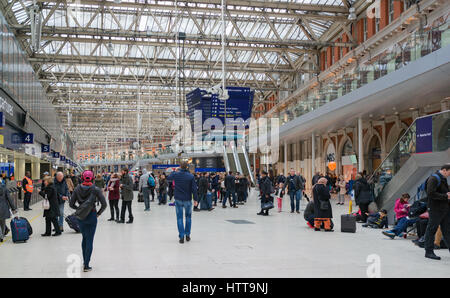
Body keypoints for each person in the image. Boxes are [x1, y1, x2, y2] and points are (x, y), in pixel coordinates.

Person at [69, 170, 107, 272]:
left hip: (81, 217)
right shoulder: (96, 189)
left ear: (82, 177)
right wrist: (98, 214)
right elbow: (104, 204)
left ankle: (84, 261)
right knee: (90, 239)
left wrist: (79, 209)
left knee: (84, 238)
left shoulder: (77, 189)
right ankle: (86, 264)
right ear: (93, 178)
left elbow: (71, 204)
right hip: (92, 215)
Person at [423, 164, 450, 260]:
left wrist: (447, 194)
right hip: (435, 209)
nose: (449, 175)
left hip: (444, 209)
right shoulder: (434, 179)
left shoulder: (443, 179)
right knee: (431, 229)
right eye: (449, 172)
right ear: (445, 170)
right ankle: (429, 251)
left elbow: (443, 192)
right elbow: (430, 193)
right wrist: (445, 196)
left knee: (447, 231)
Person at [167, 161, 198, 244]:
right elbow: (194, 189)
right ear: (187, 167)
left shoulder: (176, 174)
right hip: (188, 199)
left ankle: (181, 236)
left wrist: (175, 170)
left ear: (180, 166)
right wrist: (195, 199)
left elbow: (168, 177)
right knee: (188, 217)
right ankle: (187, 235)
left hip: (178, 199)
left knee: (179, 218)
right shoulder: (191, 176)